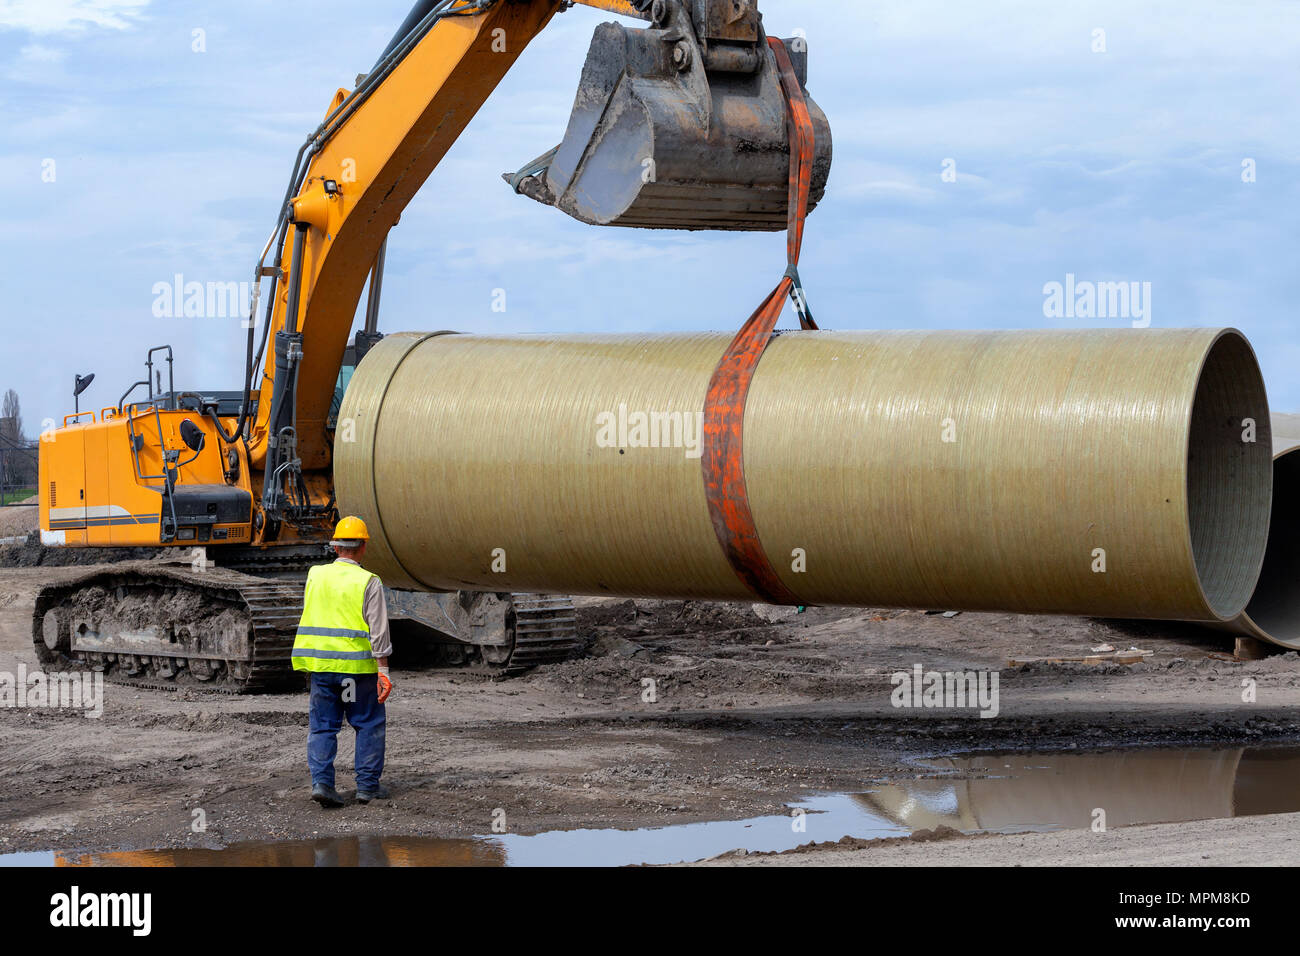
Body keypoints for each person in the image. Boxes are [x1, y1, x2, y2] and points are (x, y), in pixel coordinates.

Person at [291, 515, 394, 807]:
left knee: (323, 727)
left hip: (322, 669)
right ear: (363, 547)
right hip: (357, 673)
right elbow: (379, 629)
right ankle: (367, 788)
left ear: (336, 547)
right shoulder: (369, 581)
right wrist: (383, 671)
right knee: (369, 725)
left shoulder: (315, 575)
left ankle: (323, 784)